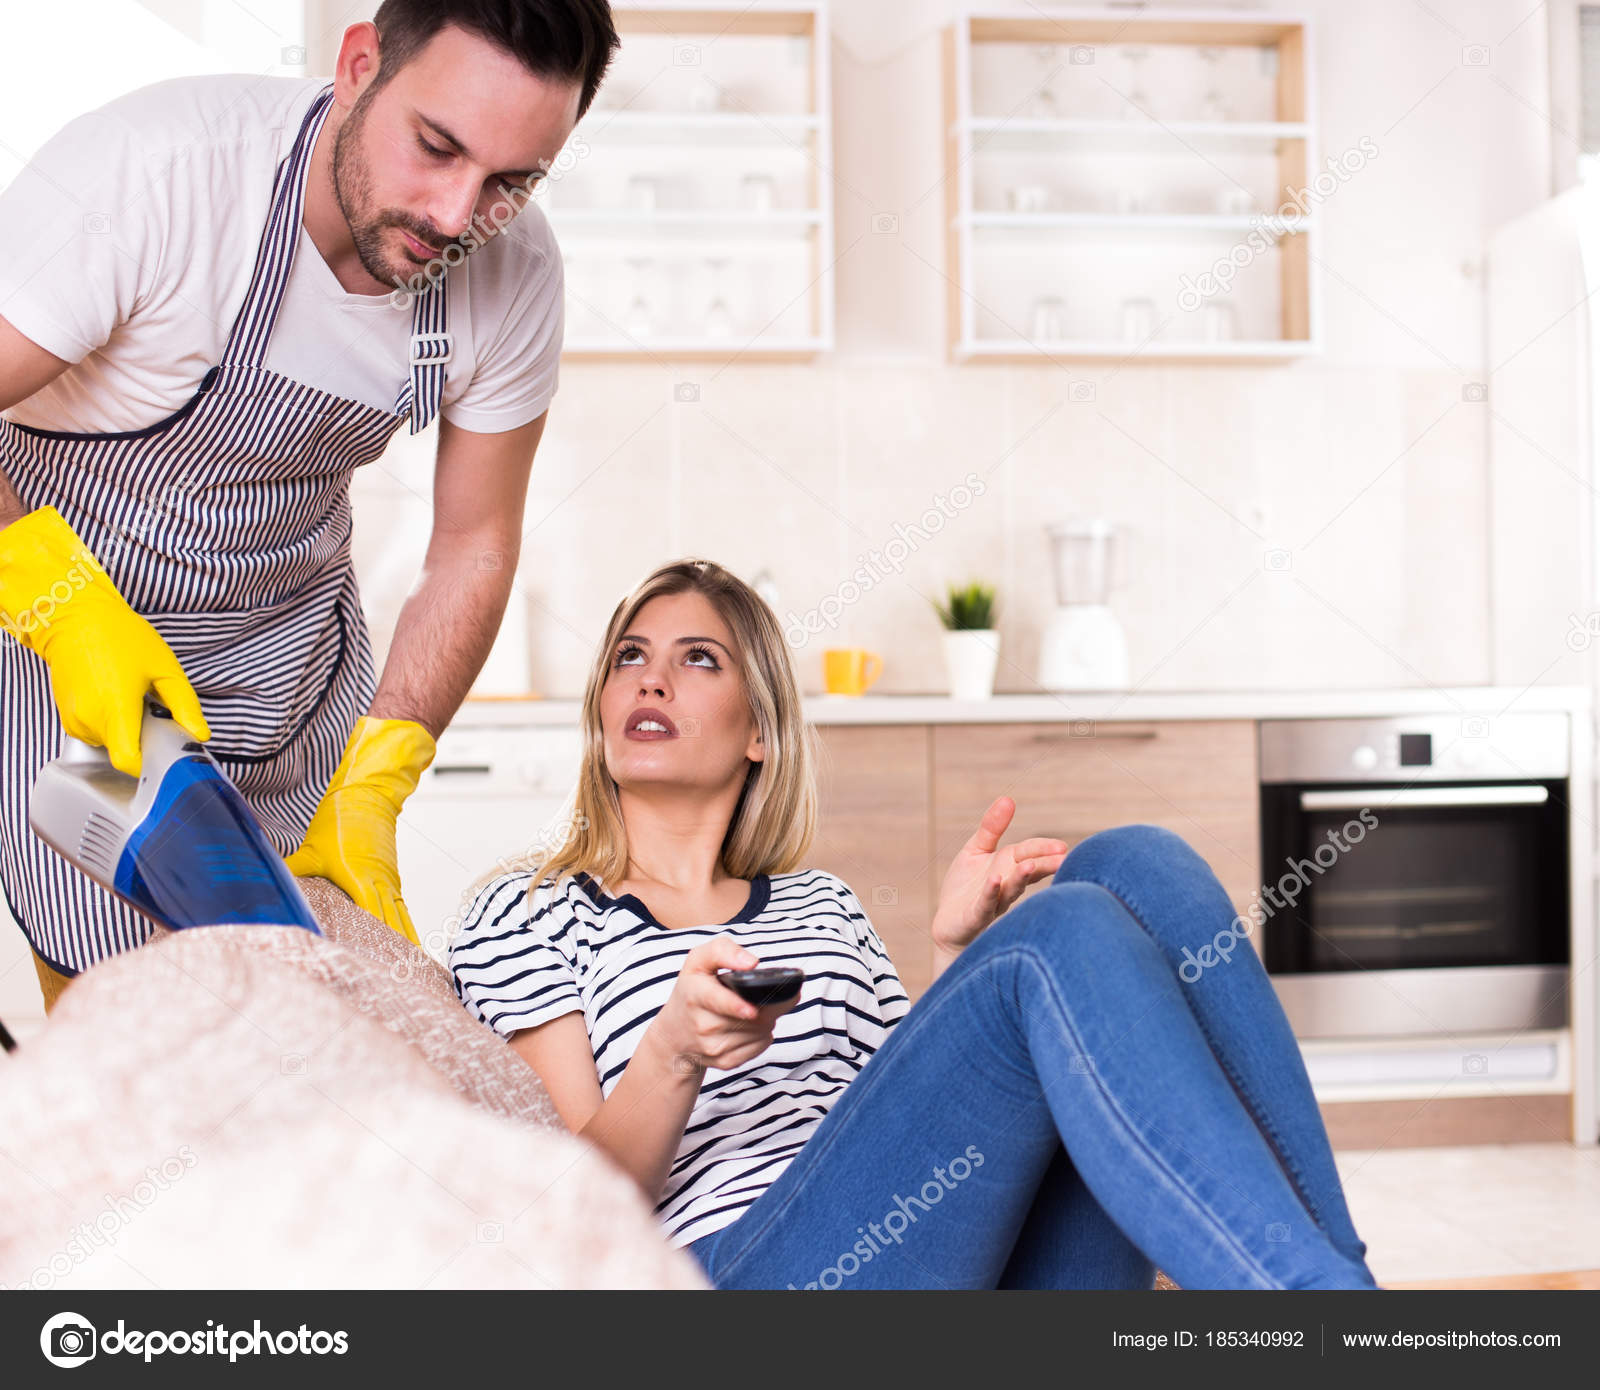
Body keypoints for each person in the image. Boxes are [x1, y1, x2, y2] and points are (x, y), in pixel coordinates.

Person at [449, 558, 1380, 1290]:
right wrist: (673, 1056)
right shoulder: (527, 910)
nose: (651, 680)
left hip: (948, 1274)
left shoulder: (822, 903)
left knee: (1138, 863)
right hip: (740, 1274)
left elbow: (916, 1127)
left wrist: (958, 957)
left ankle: (1342, 1290)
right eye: (628, 658)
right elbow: (570, 1219)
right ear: (603, 707)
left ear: (759, 731)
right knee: (1064, 934)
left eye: (698, 658)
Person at [0, 1, 619, 1010]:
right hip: (68, 665)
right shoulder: (159, 177)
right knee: (146, 1035)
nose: (458, 217)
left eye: (511, 182)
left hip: (287, 673)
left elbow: (473, 543)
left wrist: (381, 771)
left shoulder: (513, 274)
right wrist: (58, 604)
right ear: (359, 64)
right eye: (436, 146)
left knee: (320, 1014)